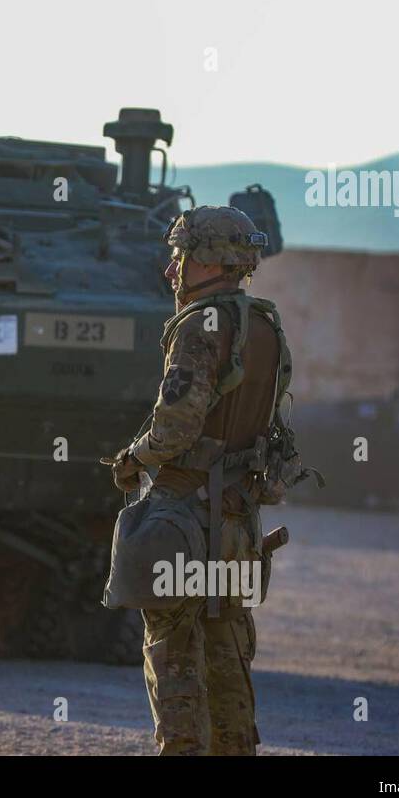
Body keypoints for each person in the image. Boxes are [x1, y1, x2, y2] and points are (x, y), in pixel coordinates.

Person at [107, 204, 283, 755]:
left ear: (211, 258)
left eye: (180, 255)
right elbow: (280, 428)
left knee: (175, 659)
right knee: (229, 661)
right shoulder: (264, 324)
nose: (172, 269)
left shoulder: (200, 324)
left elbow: (178, 420)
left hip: (185, 520)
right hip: (237, 522)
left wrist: (134, 458)